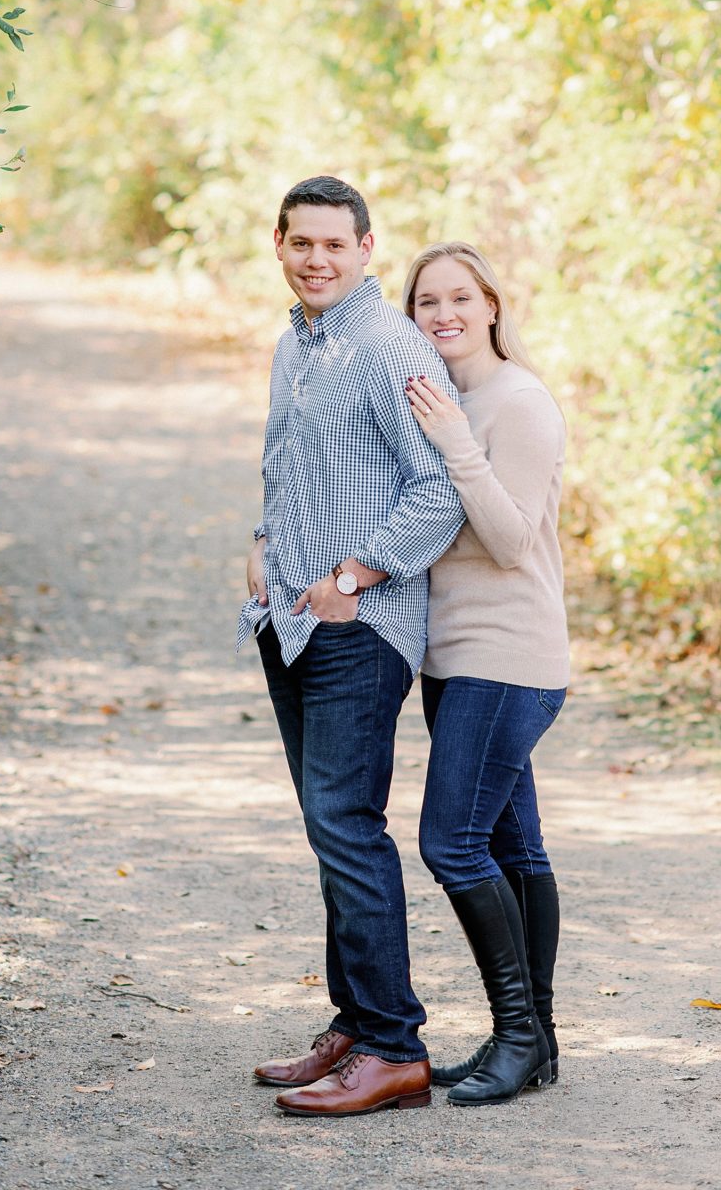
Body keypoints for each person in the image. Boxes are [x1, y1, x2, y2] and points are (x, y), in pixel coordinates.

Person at [237, 177, 465, 1118]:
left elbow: (440, 489)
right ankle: (351, 1021)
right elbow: (286, 462)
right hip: (286, 620)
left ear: (367, 247)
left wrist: (356, 578)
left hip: (356, 629)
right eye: (302, 244)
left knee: (347, 827)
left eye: (336, 244)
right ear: (280, 246)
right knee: (329, 831)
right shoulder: (299, 340)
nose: (317, 259)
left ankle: (392, 1047)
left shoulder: (387, 348)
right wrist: (260, 542)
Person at [401, 241, 569, 1107]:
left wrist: (457, 445)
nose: (443, 314)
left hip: (508, 656)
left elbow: (508, 541)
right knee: (511, 845)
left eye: (459, 297)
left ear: (492, 305)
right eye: (426, 302)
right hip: (455, 657)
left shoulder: (518, 403)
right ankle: (536, 1044)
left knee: (450, 845)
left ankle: (514, 1033)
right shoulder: (443, 399)